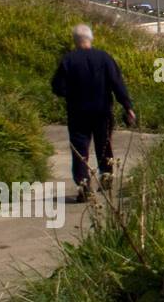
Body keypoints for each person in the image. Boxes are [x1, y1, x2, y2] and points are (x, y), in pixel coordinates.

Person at [51, 24, 135, 202]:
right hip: (102, 111)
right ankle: (106, 177)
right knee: (104, 144)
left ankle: (84, 185)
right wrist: (127, 106)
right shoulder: (104, 58)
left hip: (78, 112)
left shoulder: (68, 60)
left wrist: (71, 94)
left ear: (75, 41)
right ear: (91, 38)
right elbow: (117, 83)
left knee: (80, 149)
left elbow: (57, 86)